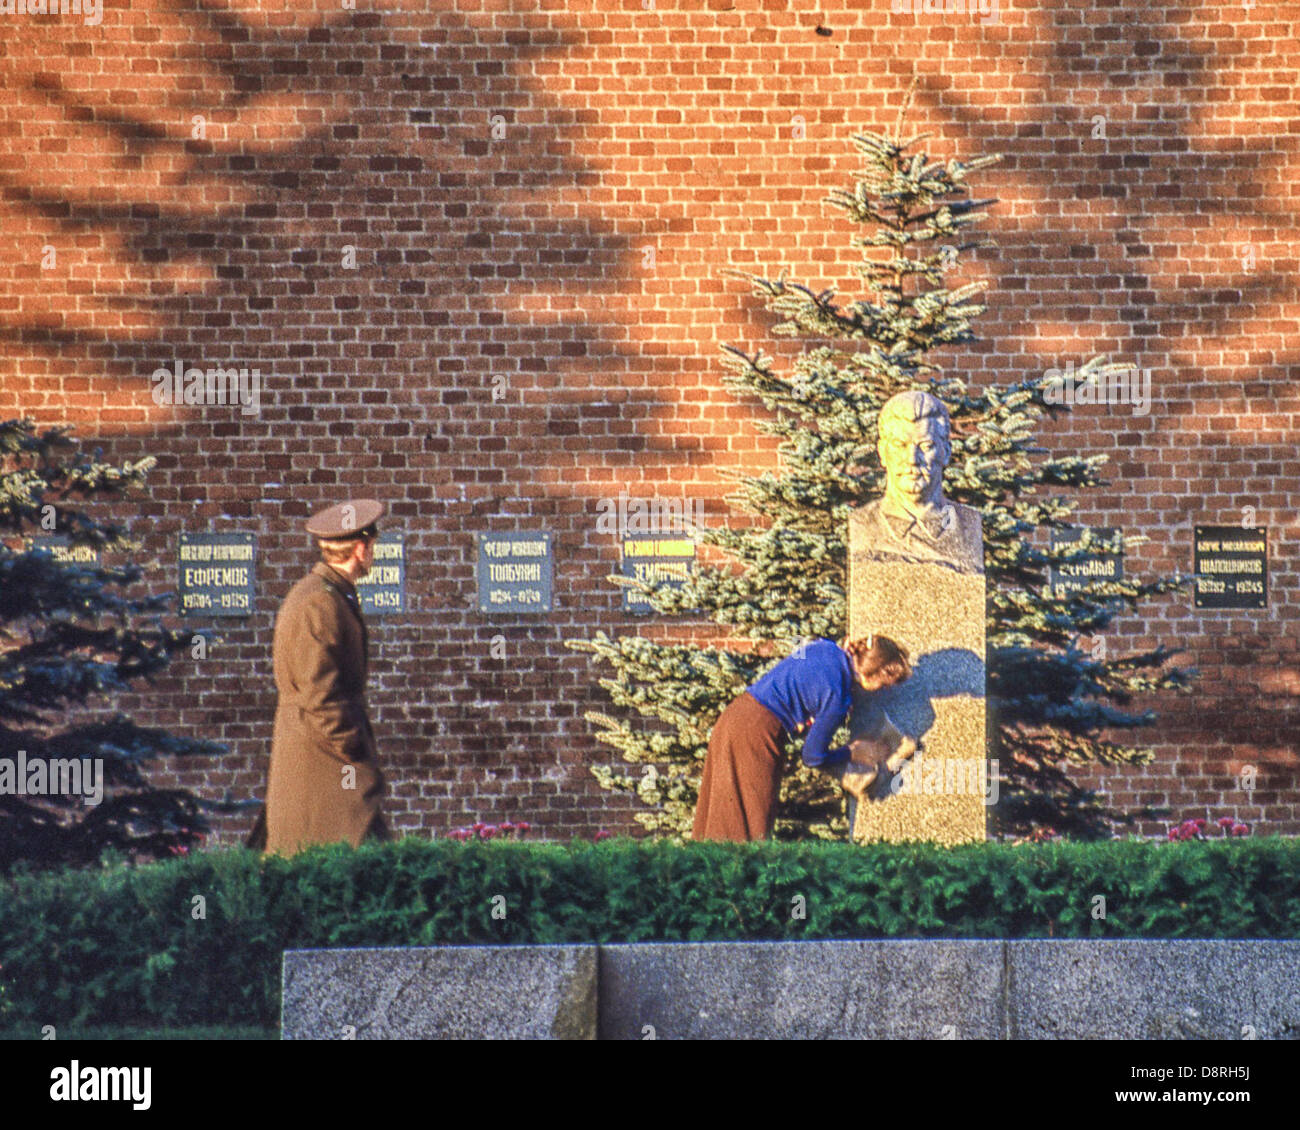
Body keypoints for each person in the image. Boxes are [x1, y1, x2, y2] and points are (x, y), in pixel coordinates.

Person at [247, 498, 390, 855]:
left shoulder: (327, 594)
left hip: (324, 762)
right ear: (361, 548)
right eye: (372, 545)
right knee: (332, 864)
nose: (373, 552)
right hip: (323, 764)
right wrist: (354, 746)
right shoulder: (319, 602)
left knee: (361, 860)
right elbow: (321, 695)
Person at [691, 635, 915, 842]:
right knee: (748, 827)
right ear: (867, 674)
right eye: (883, 685)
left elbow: (803, 679)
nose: (882, 691)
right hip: (757, 735)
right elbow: (813, 756)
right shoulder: (838, 698)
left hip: (735, 716)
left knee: (717, 817)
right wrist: (853, 752)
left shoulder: (825, 646)